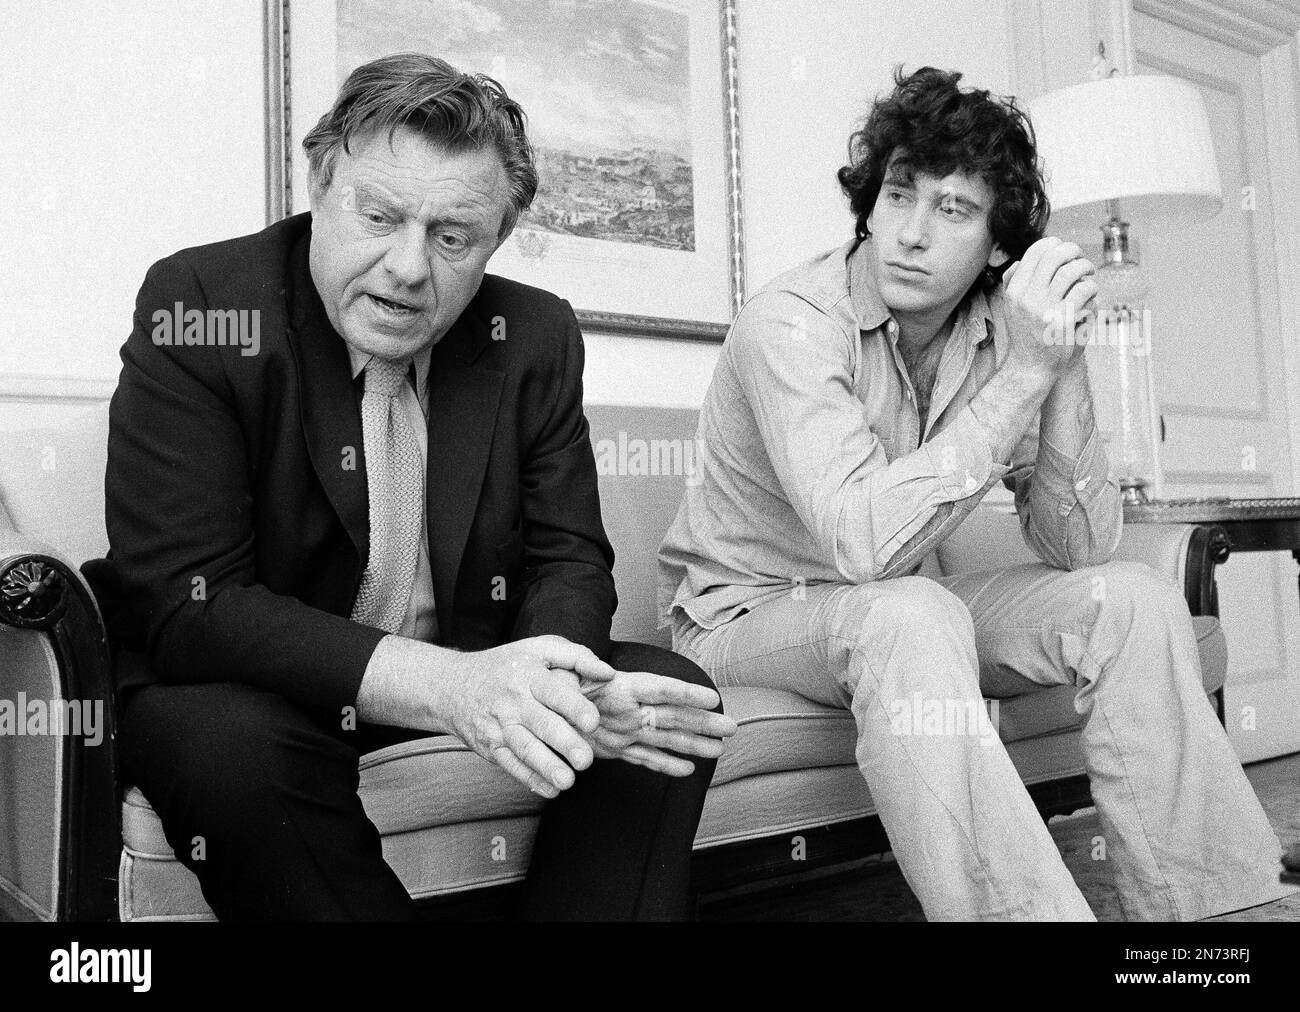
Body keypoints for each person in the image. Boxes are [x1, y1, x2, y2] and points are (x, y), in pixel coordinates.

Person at [100, 52, 736, 922]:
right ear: (319, 186)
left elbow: (570, 561)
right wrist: (456, 689)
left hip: (465, 665)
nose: (406, 267)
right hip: (259, 686)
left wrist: (554, 687)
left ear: (496, 242)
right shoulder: (205, 304)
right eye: (378, 215)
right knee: (228, 745)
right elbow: (189, 606)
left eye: (451, 237)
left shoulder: (534, 336)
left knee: (664, 696)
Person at [658, 66, 1295, 920]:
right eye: (897, 196)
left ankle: (1217, 920)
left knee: (1130, 600)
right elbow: (861, 543)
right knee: (912, 612)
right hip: (743, 618)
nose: (910, 234)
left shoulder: (1005, 329)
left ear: (1000, 245)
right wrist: (1022, 377)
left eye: (952, 209)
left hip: (888, 603)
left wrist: (1061, 364)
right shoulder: (792, 324)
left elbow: (1081, 549)